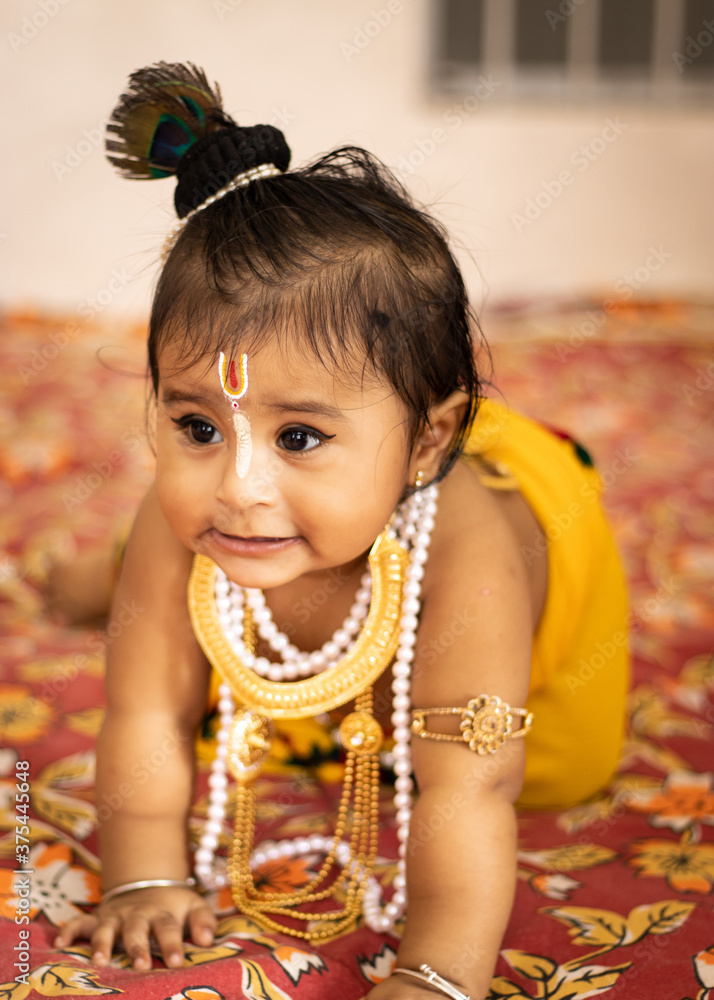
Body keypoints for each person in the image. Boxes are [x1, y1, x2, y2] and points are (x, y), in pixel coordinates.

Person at [53, 62, 629, 1000]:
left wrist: (436, 976)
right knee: (156, 568)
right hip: (309, 551)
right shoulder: (209, 507)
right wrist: (146, 879)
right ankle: (94, 580)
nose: (240, 483)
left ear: (426, 439)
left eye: (300, 436)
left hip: (513, 670)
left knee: (517, 765)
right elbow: (148, 713)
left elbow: (465, 791)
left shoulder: (467, 557)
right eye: (197, 424)